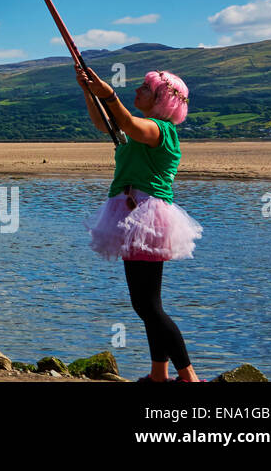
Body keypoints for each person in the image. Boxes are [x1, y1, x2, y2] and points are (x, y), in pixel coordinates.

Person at [78, 66, 203, 382]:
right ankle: (158, 375)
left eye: (145, 89)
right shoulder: (136, 131)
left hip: (147, 218)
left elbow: (127, 122)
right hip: (131, 214)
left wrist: (108, 93)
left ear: (162, 99)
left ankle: (188, 378)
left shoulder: (160, 130)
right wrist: (89, 91)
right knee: (148, 304)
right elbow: (105, 123)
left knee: (147, 305)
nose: (138, 91)